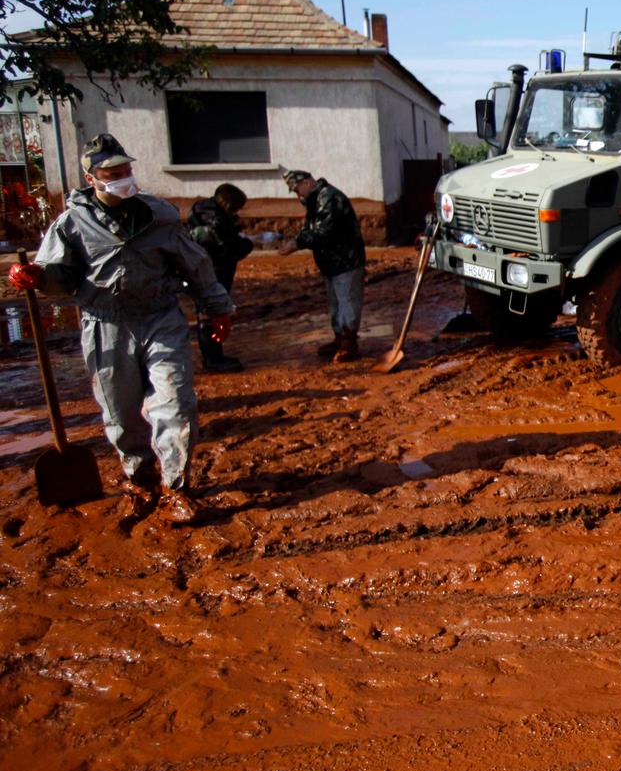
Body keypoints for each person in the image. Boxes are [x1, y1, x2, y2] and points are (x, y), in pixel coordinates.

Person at [8, 133, 233, 525]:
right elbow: (60, 277)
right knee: (121, 411)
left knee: (176, 402)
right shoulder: (72, 223)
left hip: (161, 318)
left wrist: (217, 307)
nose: (123, 178)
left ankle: (177, 488)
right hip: (106, 325)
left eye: (127, 170)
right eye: (113, 173)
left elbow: (194, 264)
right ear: (91, 177)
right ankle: (141, 481)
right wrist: (36, 277)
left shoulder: (158, 215)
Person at [277, 170, 365, 363]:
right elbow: (311, 227)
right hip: (332, 262)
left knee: (347, 302)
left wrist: (296, 243)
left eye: (297, 189)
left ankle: (349, 344)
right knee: (335, 304)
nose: (298, 195)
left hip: (346, 260)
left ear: (307, 182)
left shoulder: (329, 198)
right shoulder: (316, 200)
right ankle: (339, 338)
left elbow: (323, 231)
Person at [185, 183, 254, 372]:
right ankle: (213, 359)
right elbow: (229, 249)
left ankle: (215, 355)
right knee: (210, 314)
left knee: (211, 313)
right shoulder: (216, 222)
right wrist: (247, 244)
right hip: (212, 274)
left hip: (202, 271)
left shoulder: (201, 212)